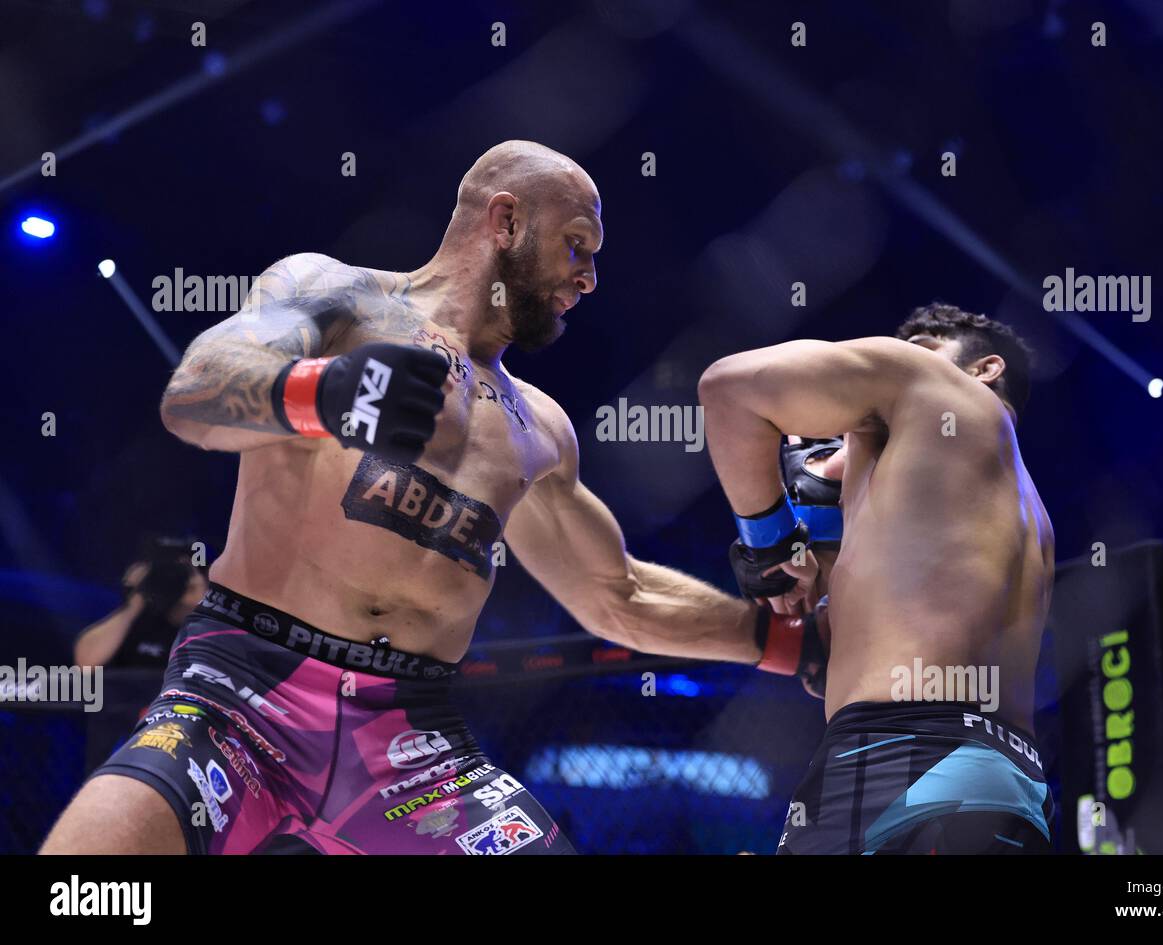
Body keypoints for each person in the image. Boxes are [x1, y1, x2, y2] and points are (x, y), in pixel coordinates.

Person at [41, 140, 816, 855]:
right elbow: (194, 394)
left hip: (409, 739)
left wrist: (792, 641)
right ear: (506, 220)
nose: (589, 276)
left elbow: (622, 592)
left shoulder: (539, 428)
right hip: (239, 691)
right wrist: (322, 393)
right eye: (576, 245)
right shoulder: (334, 295)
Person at [699, 303, 1055, 854]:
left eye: (923, 344)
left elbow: (728, 388)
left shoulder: (918, 378)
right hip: (1015, 781)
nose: (895, 353)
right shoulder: (1028, 513)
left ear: (985, 368)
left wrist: (769, 543)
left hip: (898, 755)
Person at [74, 537, 208, 670]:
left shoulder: (211, 625)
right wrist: (139, 595)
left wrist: (201, 601)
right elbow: (86, 663)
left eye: (187, 569)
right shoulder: (137, 621)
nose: (176, 577)